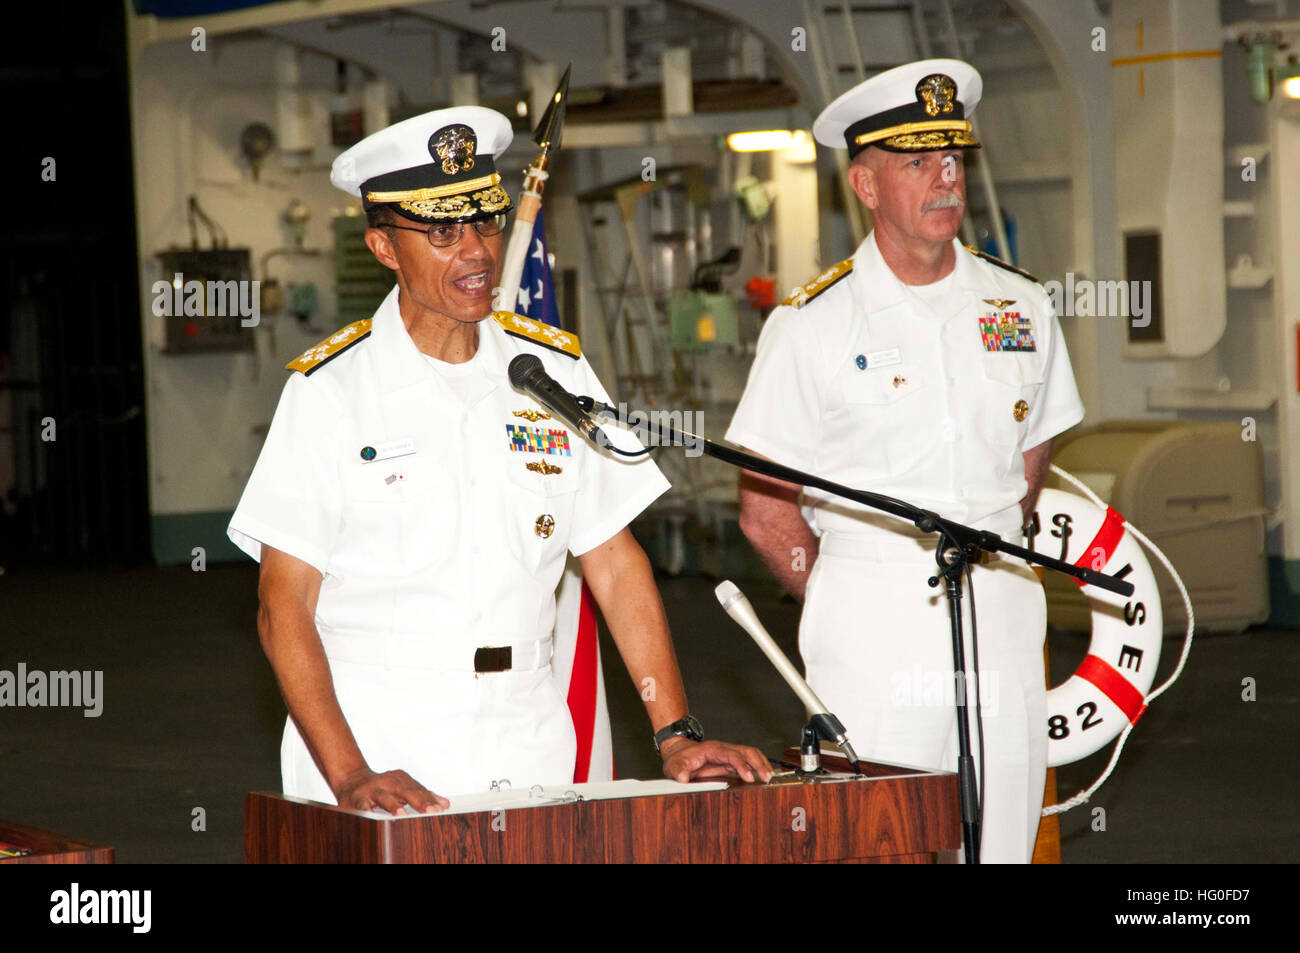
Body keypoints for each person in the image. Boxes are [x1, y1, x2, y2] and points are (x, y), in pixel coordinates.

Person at [228, 105, 771, 815]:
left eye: (487, 222)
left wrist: (674, 733)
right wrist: (350, 771)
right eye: (444, 232)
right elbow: (283, 605)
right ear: (385, 247)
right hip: (382, 739)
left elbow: (615, 561)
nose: (478, 251)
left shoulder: (555, 372)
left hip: (529, 737)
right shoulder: (329, 391)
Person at [726, 59, 1085, 862]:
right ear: (865, 184)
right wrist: (842, 592)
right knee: (879, 842)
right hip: (870, 620)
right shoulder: (812, 325)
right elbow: (765, 508)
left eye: (953, 158)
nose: (945, 178)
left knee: (1002, 842)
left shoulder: (1020, 304)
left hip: (998, 605)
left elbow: (1029, 459)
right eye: (917, 162)